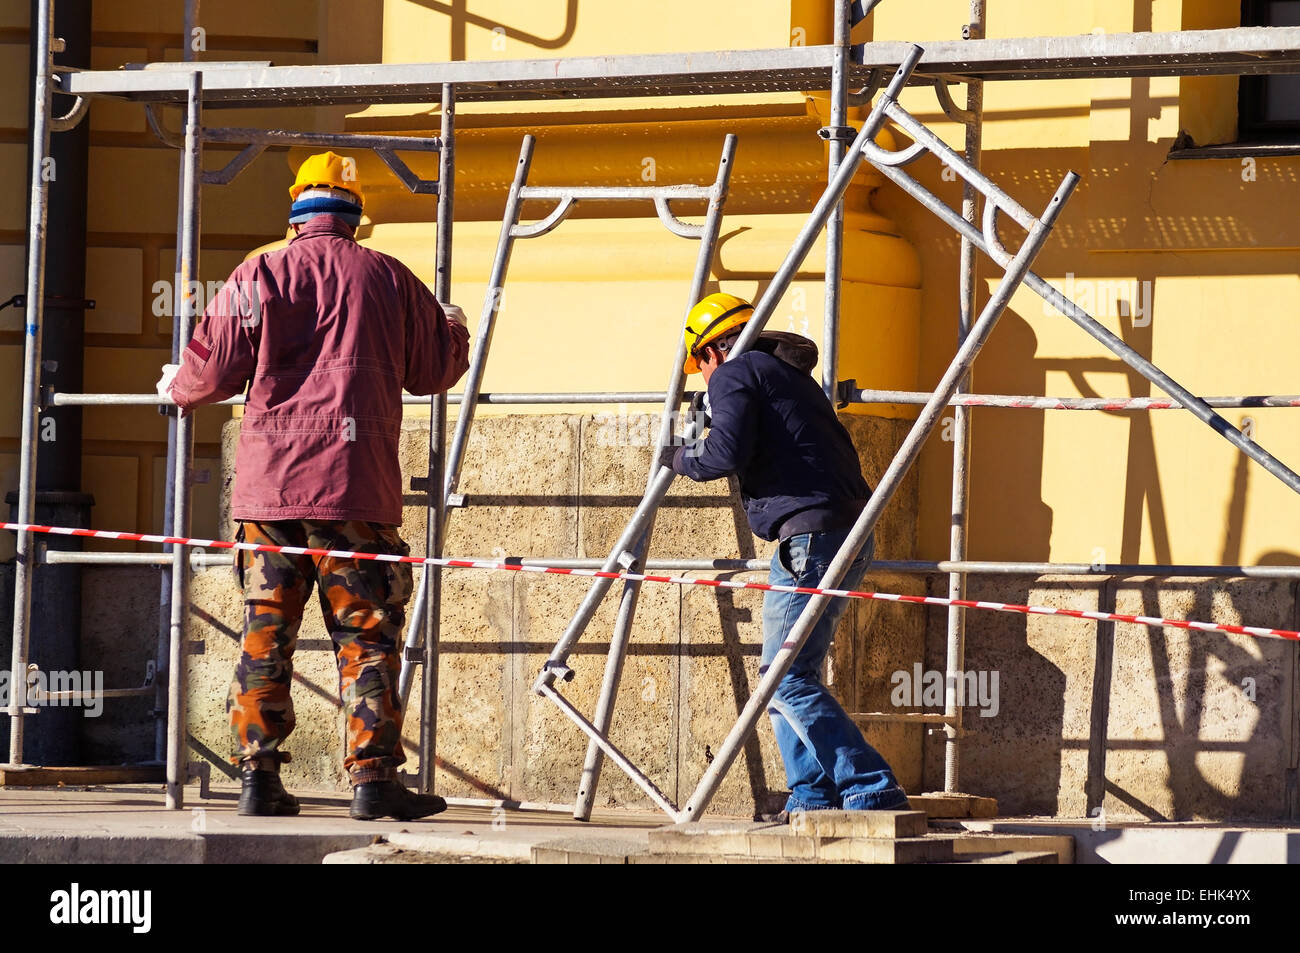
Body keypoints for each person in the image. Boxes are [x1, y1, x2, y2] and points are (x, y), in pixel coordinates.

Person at [157, 151, 470, 820]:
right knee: (367, 635)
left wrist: (175, 386)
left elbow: (209, 370)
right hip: (356, 493)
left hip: (269, 495)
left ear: (296, 207)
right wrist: (456, 325)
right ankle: (372, 781)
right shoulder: (388, 277)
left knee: (265, 633)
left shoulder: (259, 271)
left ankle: (258, 777)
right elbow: (436, 368)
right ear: (357, 214)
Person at [660, 292, 909, 817]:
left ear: (712, 352)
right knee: (788, 674)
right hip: (840, 531)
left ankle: (869, 784)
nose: (704, 379)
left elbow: (723, 453)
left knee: (784, 675)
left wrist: (680, 456)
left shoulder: (735, 373)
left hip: (811, 536)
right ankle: (812, 795)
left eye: (700, 367)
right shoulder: (788, 377)